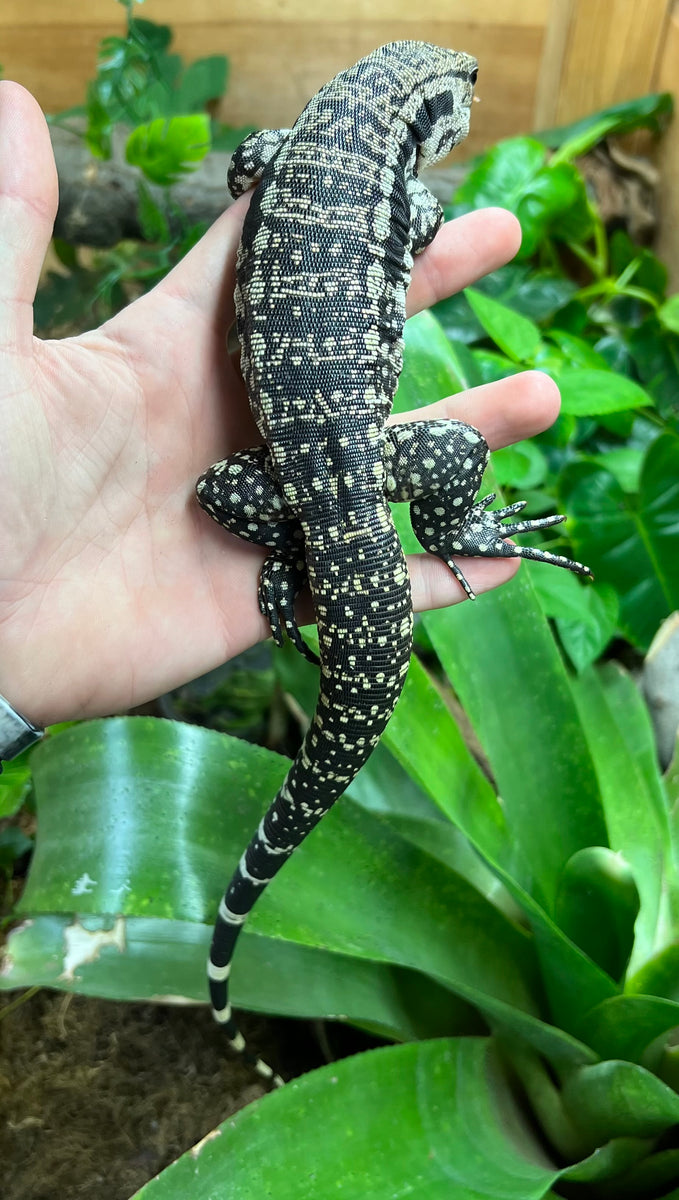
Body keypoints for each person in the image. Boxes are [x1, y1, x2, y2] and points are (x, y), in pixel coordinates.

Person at [0, 80, 561, 732]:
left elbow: (244, 168)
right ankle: (447, 530)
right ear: (429, 118)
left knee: (215, 492)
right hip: (355, 458)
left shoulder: (280, 149)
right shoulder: (398, 188)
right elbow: (427, 225)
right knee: (462, 446)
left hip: (295, 467)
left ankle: (300, 548)